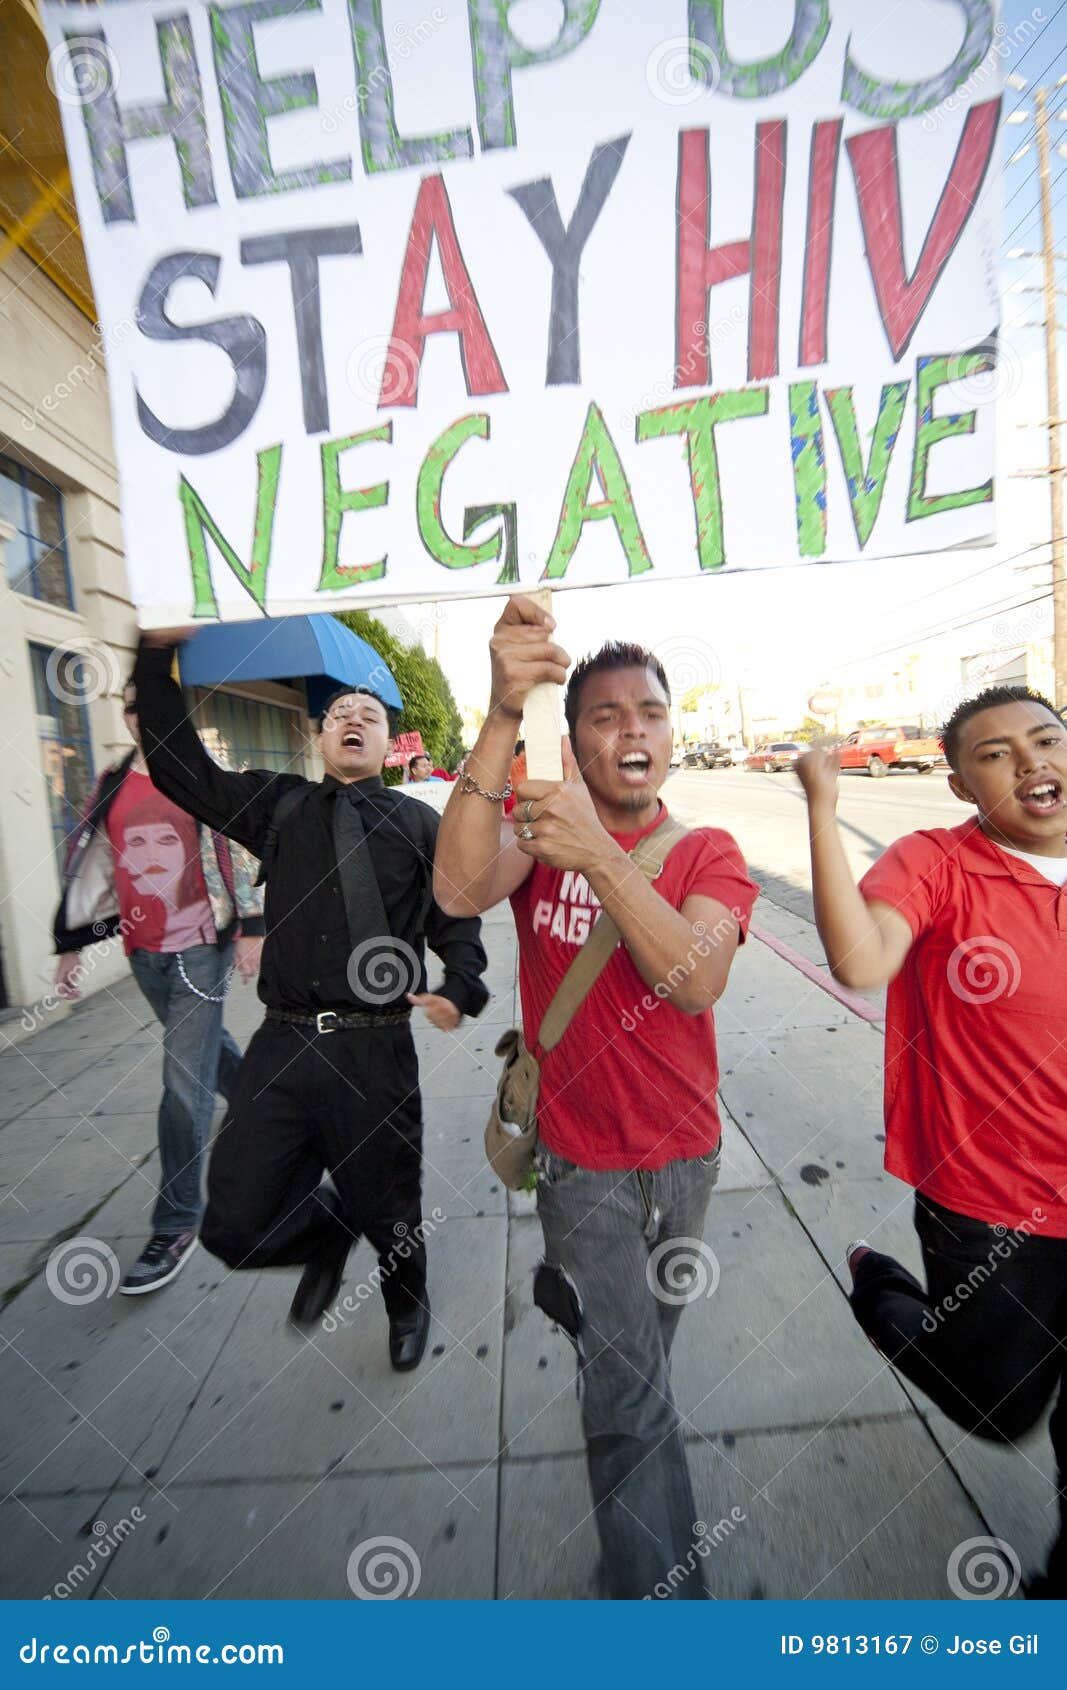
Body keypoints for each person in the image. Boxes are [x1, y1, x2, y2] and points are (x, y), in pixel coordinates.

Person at [433, 595, 757, 1598]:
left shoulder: (708, 854)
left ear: (670, 732)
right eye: (606, 713)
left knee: (638, 1360)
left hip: (685, 1160)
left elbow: (693, 977)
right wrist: (498, 712)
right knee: (624, 1393)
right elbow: (453, 891)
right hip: (579, 1168)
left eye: (650, 711)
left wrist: (605, 859)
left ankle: (585, 1315)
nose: (633, 728)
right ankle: (657, 1598)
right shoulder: (538, 837)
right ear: (571, 739)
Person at [132, 634, 489, 1371]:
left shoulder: (420, 825)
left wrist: (459, 985)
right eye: (338, 714)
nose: (352, 719)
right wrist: (151, 660)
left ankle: (405, 1306)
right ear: (317, 735)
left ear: (390, 743)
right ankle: (323, 1234)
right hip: (284, 1047)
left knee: (390, 1208)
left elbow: (457, 919)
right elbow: (179, 767)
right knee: (230, 1221)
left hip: (374, 1050)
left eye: (368, 714)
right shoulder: (277, 807)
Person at [796, 686, 1067, 1599]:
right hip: (992, 1210)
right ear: (957, 783)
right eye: (996, 754)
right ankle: (881, 1295)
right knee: (1001, 1409)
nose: (1031, 761)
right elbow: (863, 959)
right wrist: (823, 813)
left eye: (1045, 738)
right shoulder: (937, 864)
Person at [53, 678, 264, 1295]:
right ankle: (267, 1109)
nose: (139, 714)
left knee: (183, 1086)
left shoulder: (197, 773)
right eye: (130, 704)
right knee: (205, 1054)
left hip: (199, 948)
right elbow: (90, 860)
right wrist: (71, 942)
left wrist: (251, 925)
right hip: (143, 953)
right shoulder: (114, 781)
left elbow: (239, 852)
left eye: (151, 703)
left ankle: (176, 1224)